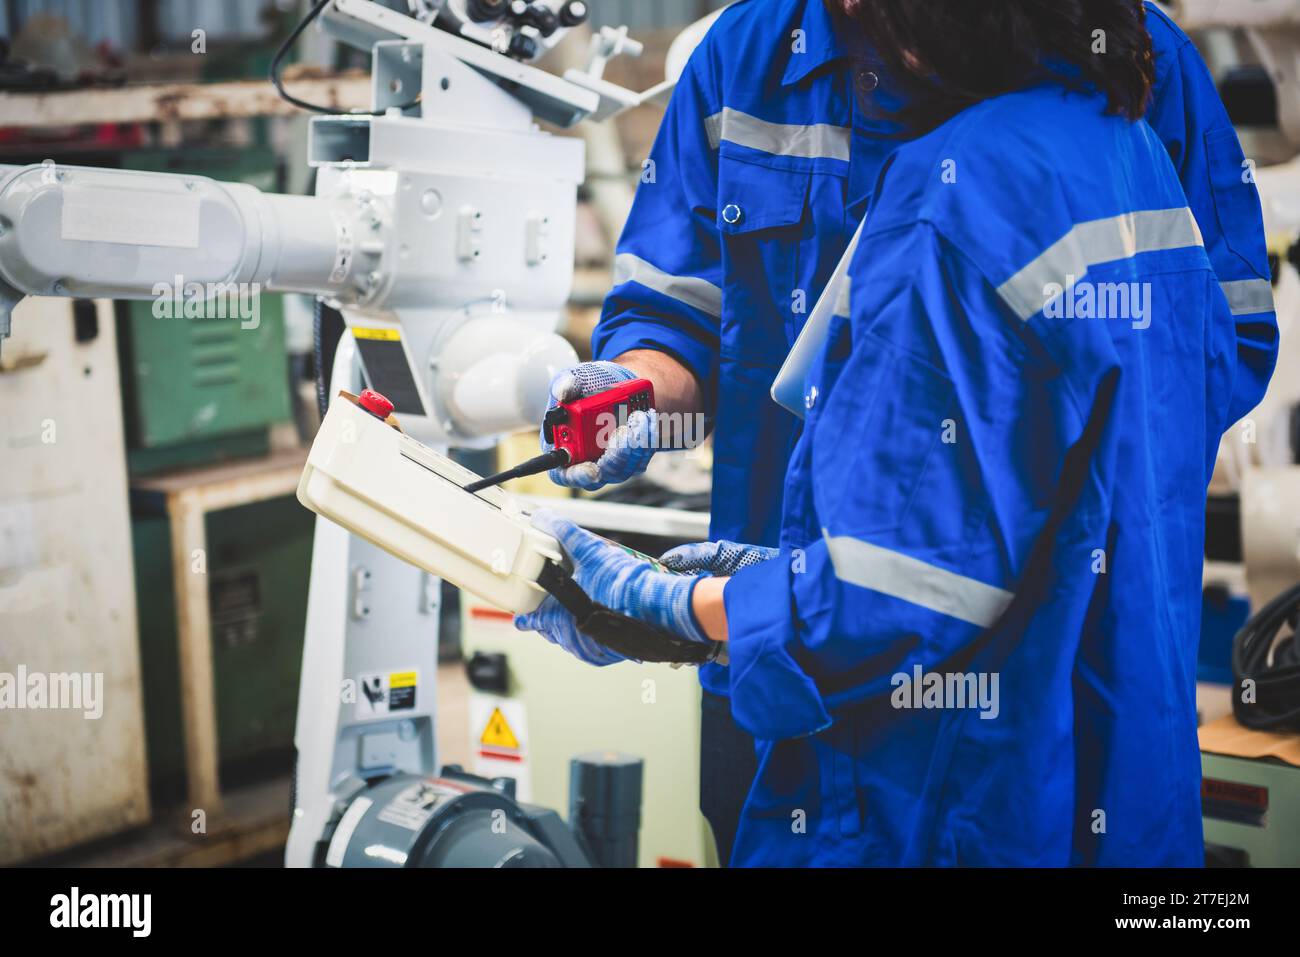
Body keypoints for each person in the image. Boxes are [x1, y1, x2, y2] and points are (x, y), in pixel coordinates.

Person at [532, 0, 1278, 865]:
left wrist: (667, 608)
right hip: (816, 653)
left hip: (897, 719)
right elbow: (678, 307)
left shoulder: (1024, 143)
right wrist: (639, 392)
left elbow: (890, 590)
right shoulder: (751, 58)